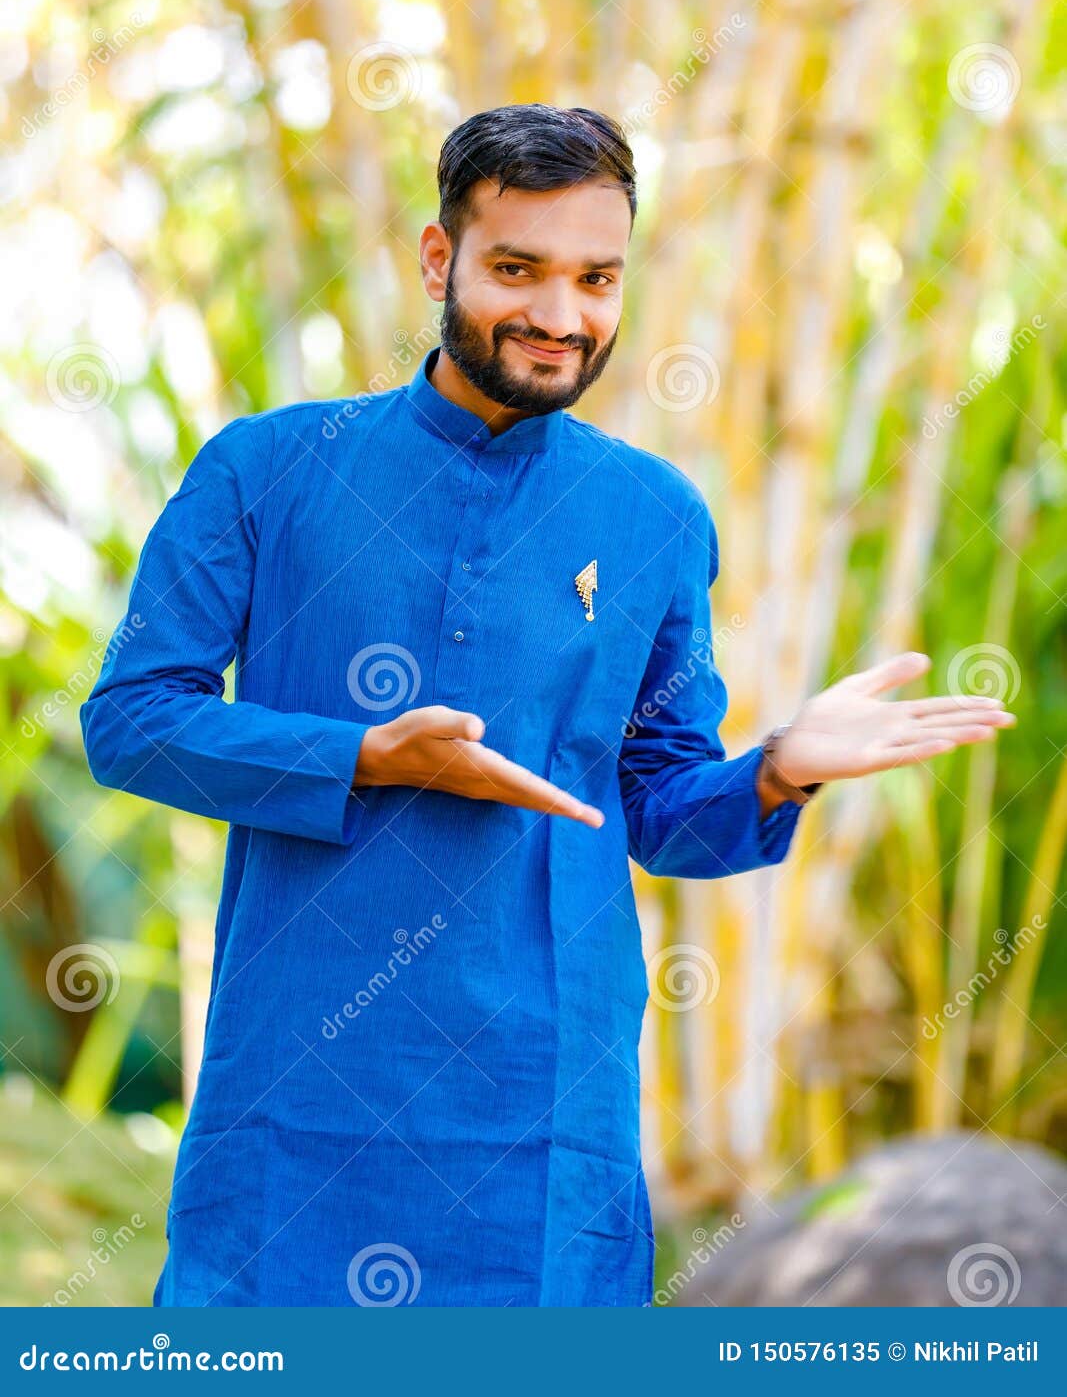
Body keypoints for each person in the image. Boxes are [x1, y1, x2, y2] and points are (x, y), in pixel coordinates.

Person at [80, 104, 1014, 1307]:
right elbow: (133, 720)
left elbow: (660, 812)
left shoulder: (651, 516)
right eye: (516, 270)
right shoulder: (267, 471)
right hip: (297, 1099)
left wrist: (778, 767)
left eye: (595, 279)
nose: (559, 317)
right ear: (439, 259)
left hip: (537, 1114)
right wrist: (365, 754)